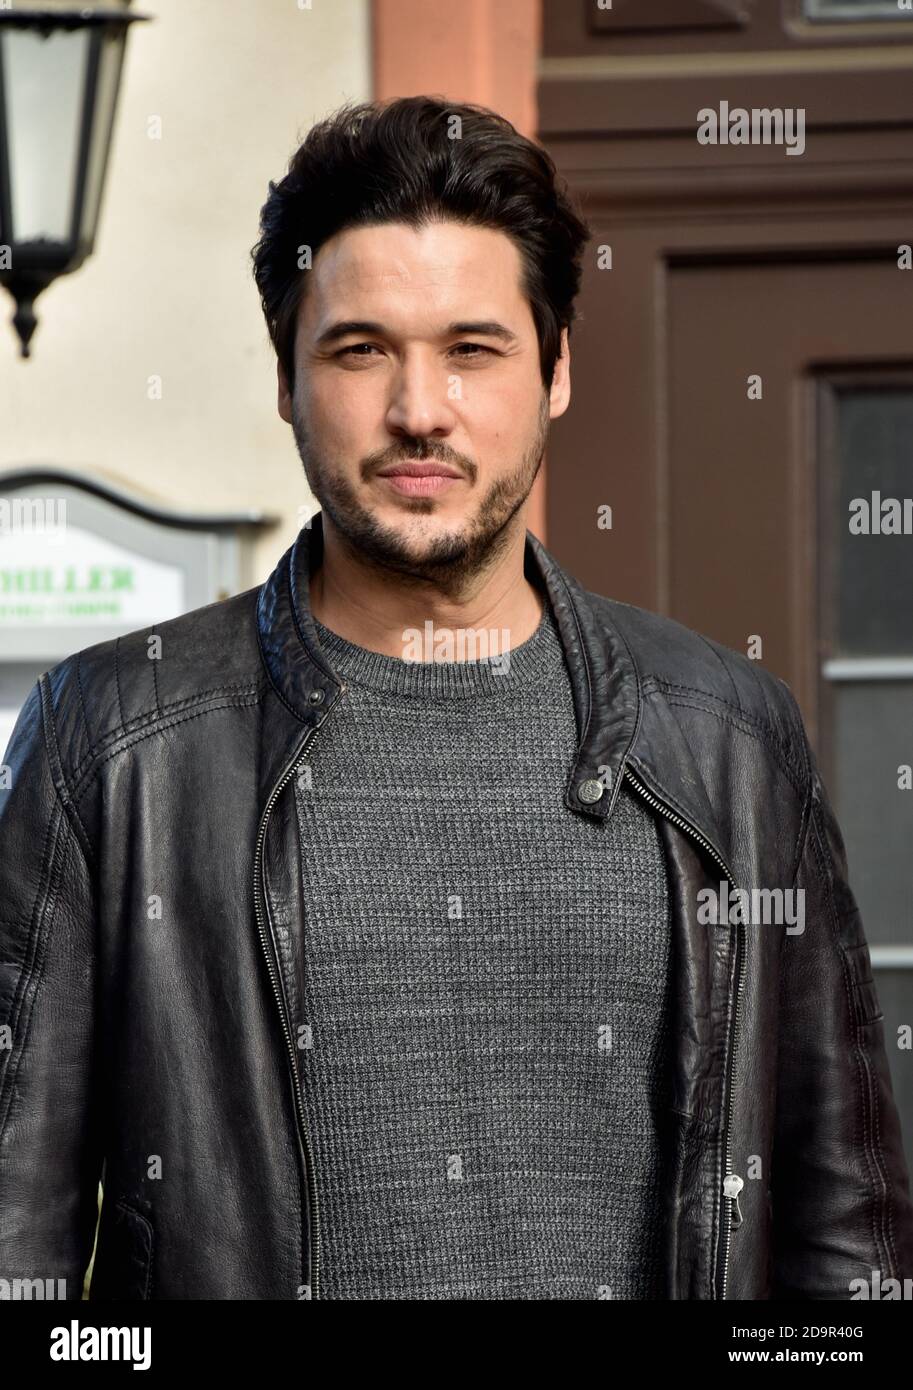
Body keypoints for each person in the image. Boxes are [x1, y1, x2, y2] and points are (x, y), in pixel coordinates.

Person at [1, 96, 911, 1302]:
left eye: (472, 349)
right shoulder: (112, 743)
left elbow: (845, 1238)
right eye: (360, 348)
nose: (418, 409)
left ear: (556, 372)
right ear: (285, 377)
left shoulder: (731, 743)